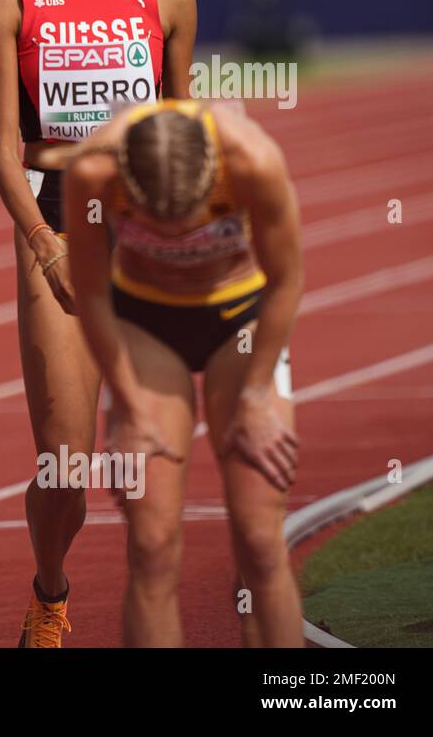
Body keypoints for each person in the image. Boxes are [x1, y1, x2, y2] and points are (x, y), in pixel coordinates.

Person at [0, 0, 198, 646]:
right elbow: (2, 150)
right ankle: (51, 589)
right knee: (65, 462)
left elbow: (182, 126)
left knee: (156, 454)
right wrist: (42, 241)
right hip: (58, 215)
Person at [63, 99, 303, 647]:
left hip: (240, 321)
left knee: (262, 538)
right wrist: (127, 406)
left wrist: (256, 396)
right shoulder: (91, 171)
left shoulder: (254, 160)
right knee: (149, 542)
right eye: (154, 223)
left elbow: (286, 281)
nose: (173, 237)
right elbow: (93, 294)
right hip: (146, 323)